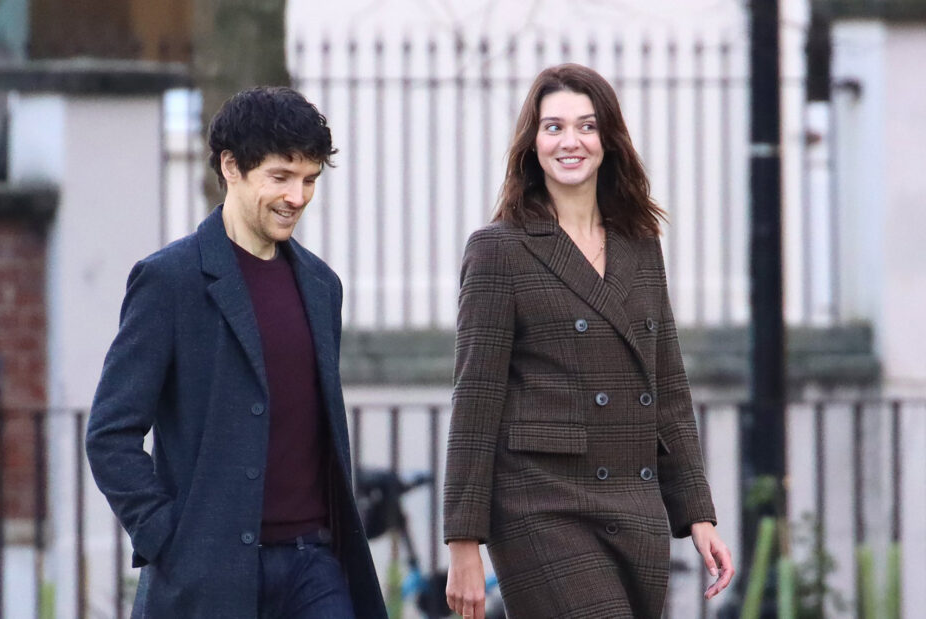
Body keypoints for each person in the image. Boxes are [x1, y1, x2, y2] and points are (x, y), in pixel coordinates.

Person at [443, 64, 734, 619]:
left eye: (587, 125)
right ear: (533, 144)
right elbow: (475, 399)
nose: (570, 141)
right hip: (538, 505)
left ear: (609, 141)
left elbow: (668, 385)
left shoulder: (640, 244)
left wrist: (698, 513)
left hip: (634, 504)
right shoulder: (499, 250)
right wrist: (463, 543)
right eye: (553, 127)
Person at [86, 86, 387, 619]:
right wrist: (167, 538)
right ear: (231, 167)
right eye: (281, 176)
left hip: (315, 564)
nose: (297, 196)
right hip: (209, 574)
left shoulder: (323, 286)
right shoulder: (169, 280)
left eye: (309, 179)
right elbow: (110, 434)